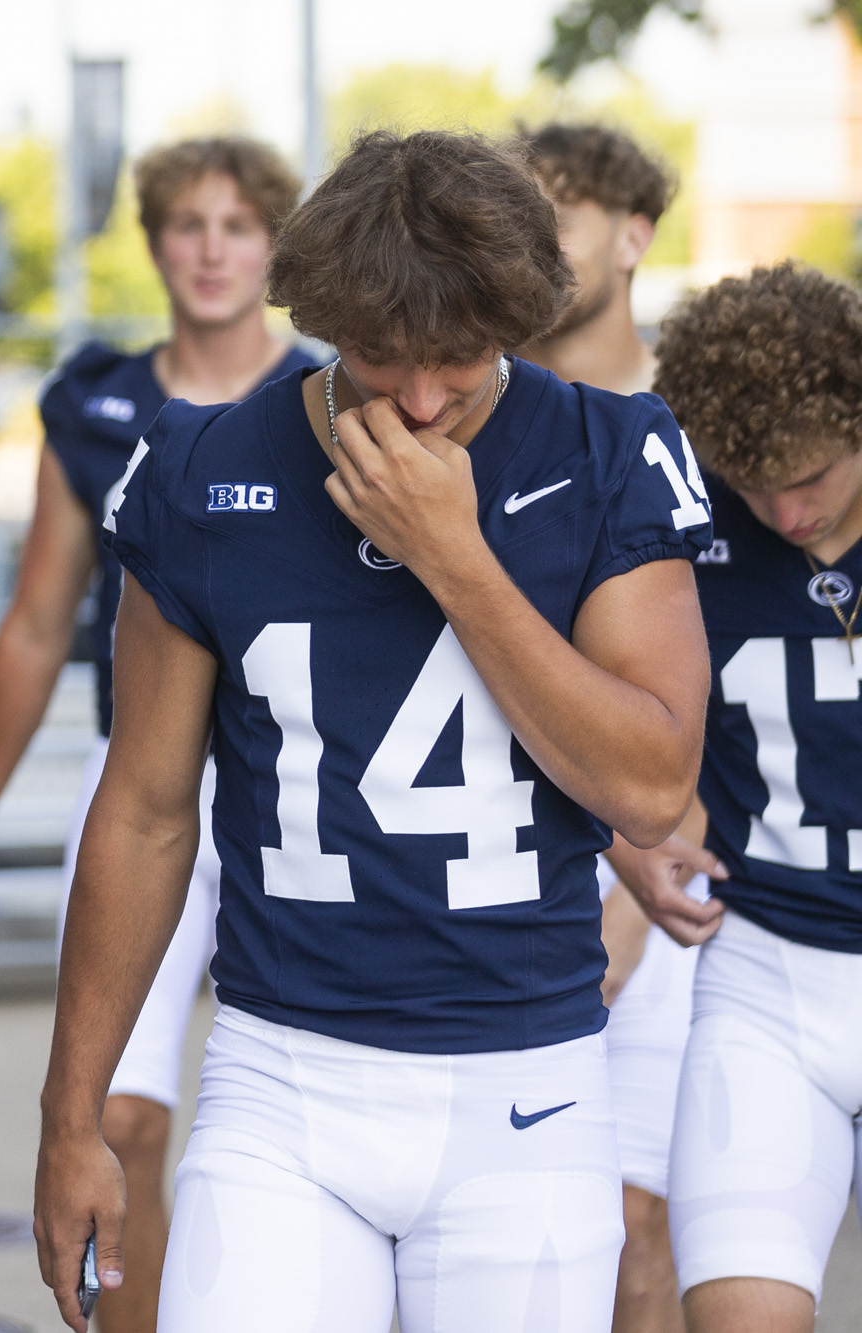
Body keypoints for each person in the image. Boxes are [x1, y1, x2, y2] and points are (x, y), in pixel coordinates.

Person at [34, 130, 714, 1333]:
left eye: (457, 360)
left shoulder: (605, 452)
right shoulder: (203, 469)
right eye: (379, 356)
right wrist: (69, 1116)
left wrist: (455, 559)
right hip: (279, 1077)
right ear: (322, 312)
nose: (415, 399)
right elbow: (142, 813)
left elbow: (651, 785)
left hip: (529, 1092)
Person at [0, 134, 319, 1333]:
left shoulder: (331, 392)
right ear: (153, 242)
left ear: (273, 245)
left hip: (297, 777)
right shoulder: (97, 403)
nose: (211, 249)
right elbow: (39, 622)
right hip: (141, 779)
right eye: (187, 225)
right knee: (121, 1113)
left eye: (238, 225)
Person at [635, 262, 862, 1333]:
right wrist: (628, 833)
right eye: (751, 478)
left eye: (811, 473)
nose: (782, 507)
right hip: (767, 969)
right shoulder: (687, 522)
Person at [518, 121, 709, 1333]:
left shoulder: (703, 420)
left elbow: (713, 682)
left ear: (633, 234)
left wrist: (640, 884)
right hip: (494, 857)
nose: (535, 244)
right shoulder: (475, 406)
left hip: (667, 852)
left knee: (638, 1222)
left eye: (564, 215)